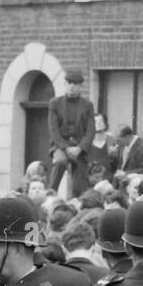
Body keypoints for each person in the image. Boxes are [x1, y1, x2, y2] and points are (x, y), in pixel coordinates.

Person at [47, 70, 96, 200]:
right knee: (60, 161)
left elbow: (90, 131)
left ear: (80, 86)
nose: (72, 86)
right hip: (61, 146)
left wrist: (80, 148)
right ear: (65, 84)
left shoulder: (87, 105)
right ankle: (51, 193)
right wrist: (66, 147)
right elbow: (53, 130)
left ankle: (77, 200)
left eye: (75, 84)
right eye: (69, 83)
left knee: (80, 181)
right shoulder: (55, 103)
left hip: (79, 147)